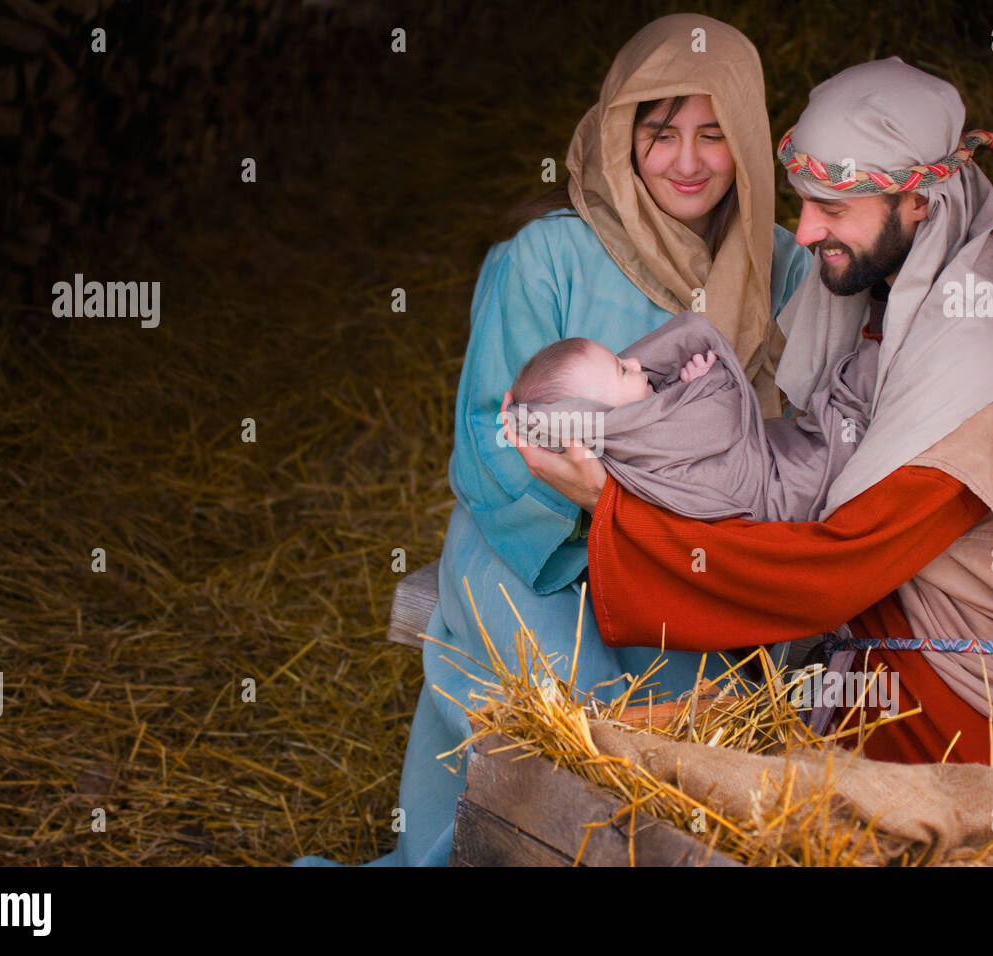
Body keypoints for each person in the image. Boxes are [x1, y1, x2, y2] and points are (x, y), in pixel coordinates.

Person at [515, 57, 993, 867]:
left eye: (831, 206)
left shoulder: (990, 349)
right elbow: (792, 474)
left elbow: (839, 566)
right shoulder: (883, 302)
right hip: (868, 692)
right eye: (804, 202)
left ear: (918, 199)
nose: (803, 233)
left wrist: (617, 508)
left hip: (986, 729)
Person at [293, 13, 813, 866]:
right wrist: (590, 498)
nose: (687, 161)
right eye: (660, 133)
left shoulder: (784, 266)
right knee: (561, 736)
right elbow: (486, 442)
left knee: (703, 750)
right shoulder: (547, 257)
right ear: (620, 135)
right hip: (541, 552)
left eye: (714, 135)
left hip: (696, 560)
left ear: (750, 142)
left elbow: (802, 429)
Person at [506, 309, 871, 524]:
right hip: (784, 494)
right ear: (599, 414)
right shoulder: (638, 443)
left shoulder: (624, 437)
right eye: (621, 370)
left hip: (775, 456)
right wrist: (707, 382)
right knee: (847, 414)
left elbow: (677, 423)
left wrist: (683, 387)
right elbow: (721, 422)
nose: (635, 363)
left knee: (845, 403)